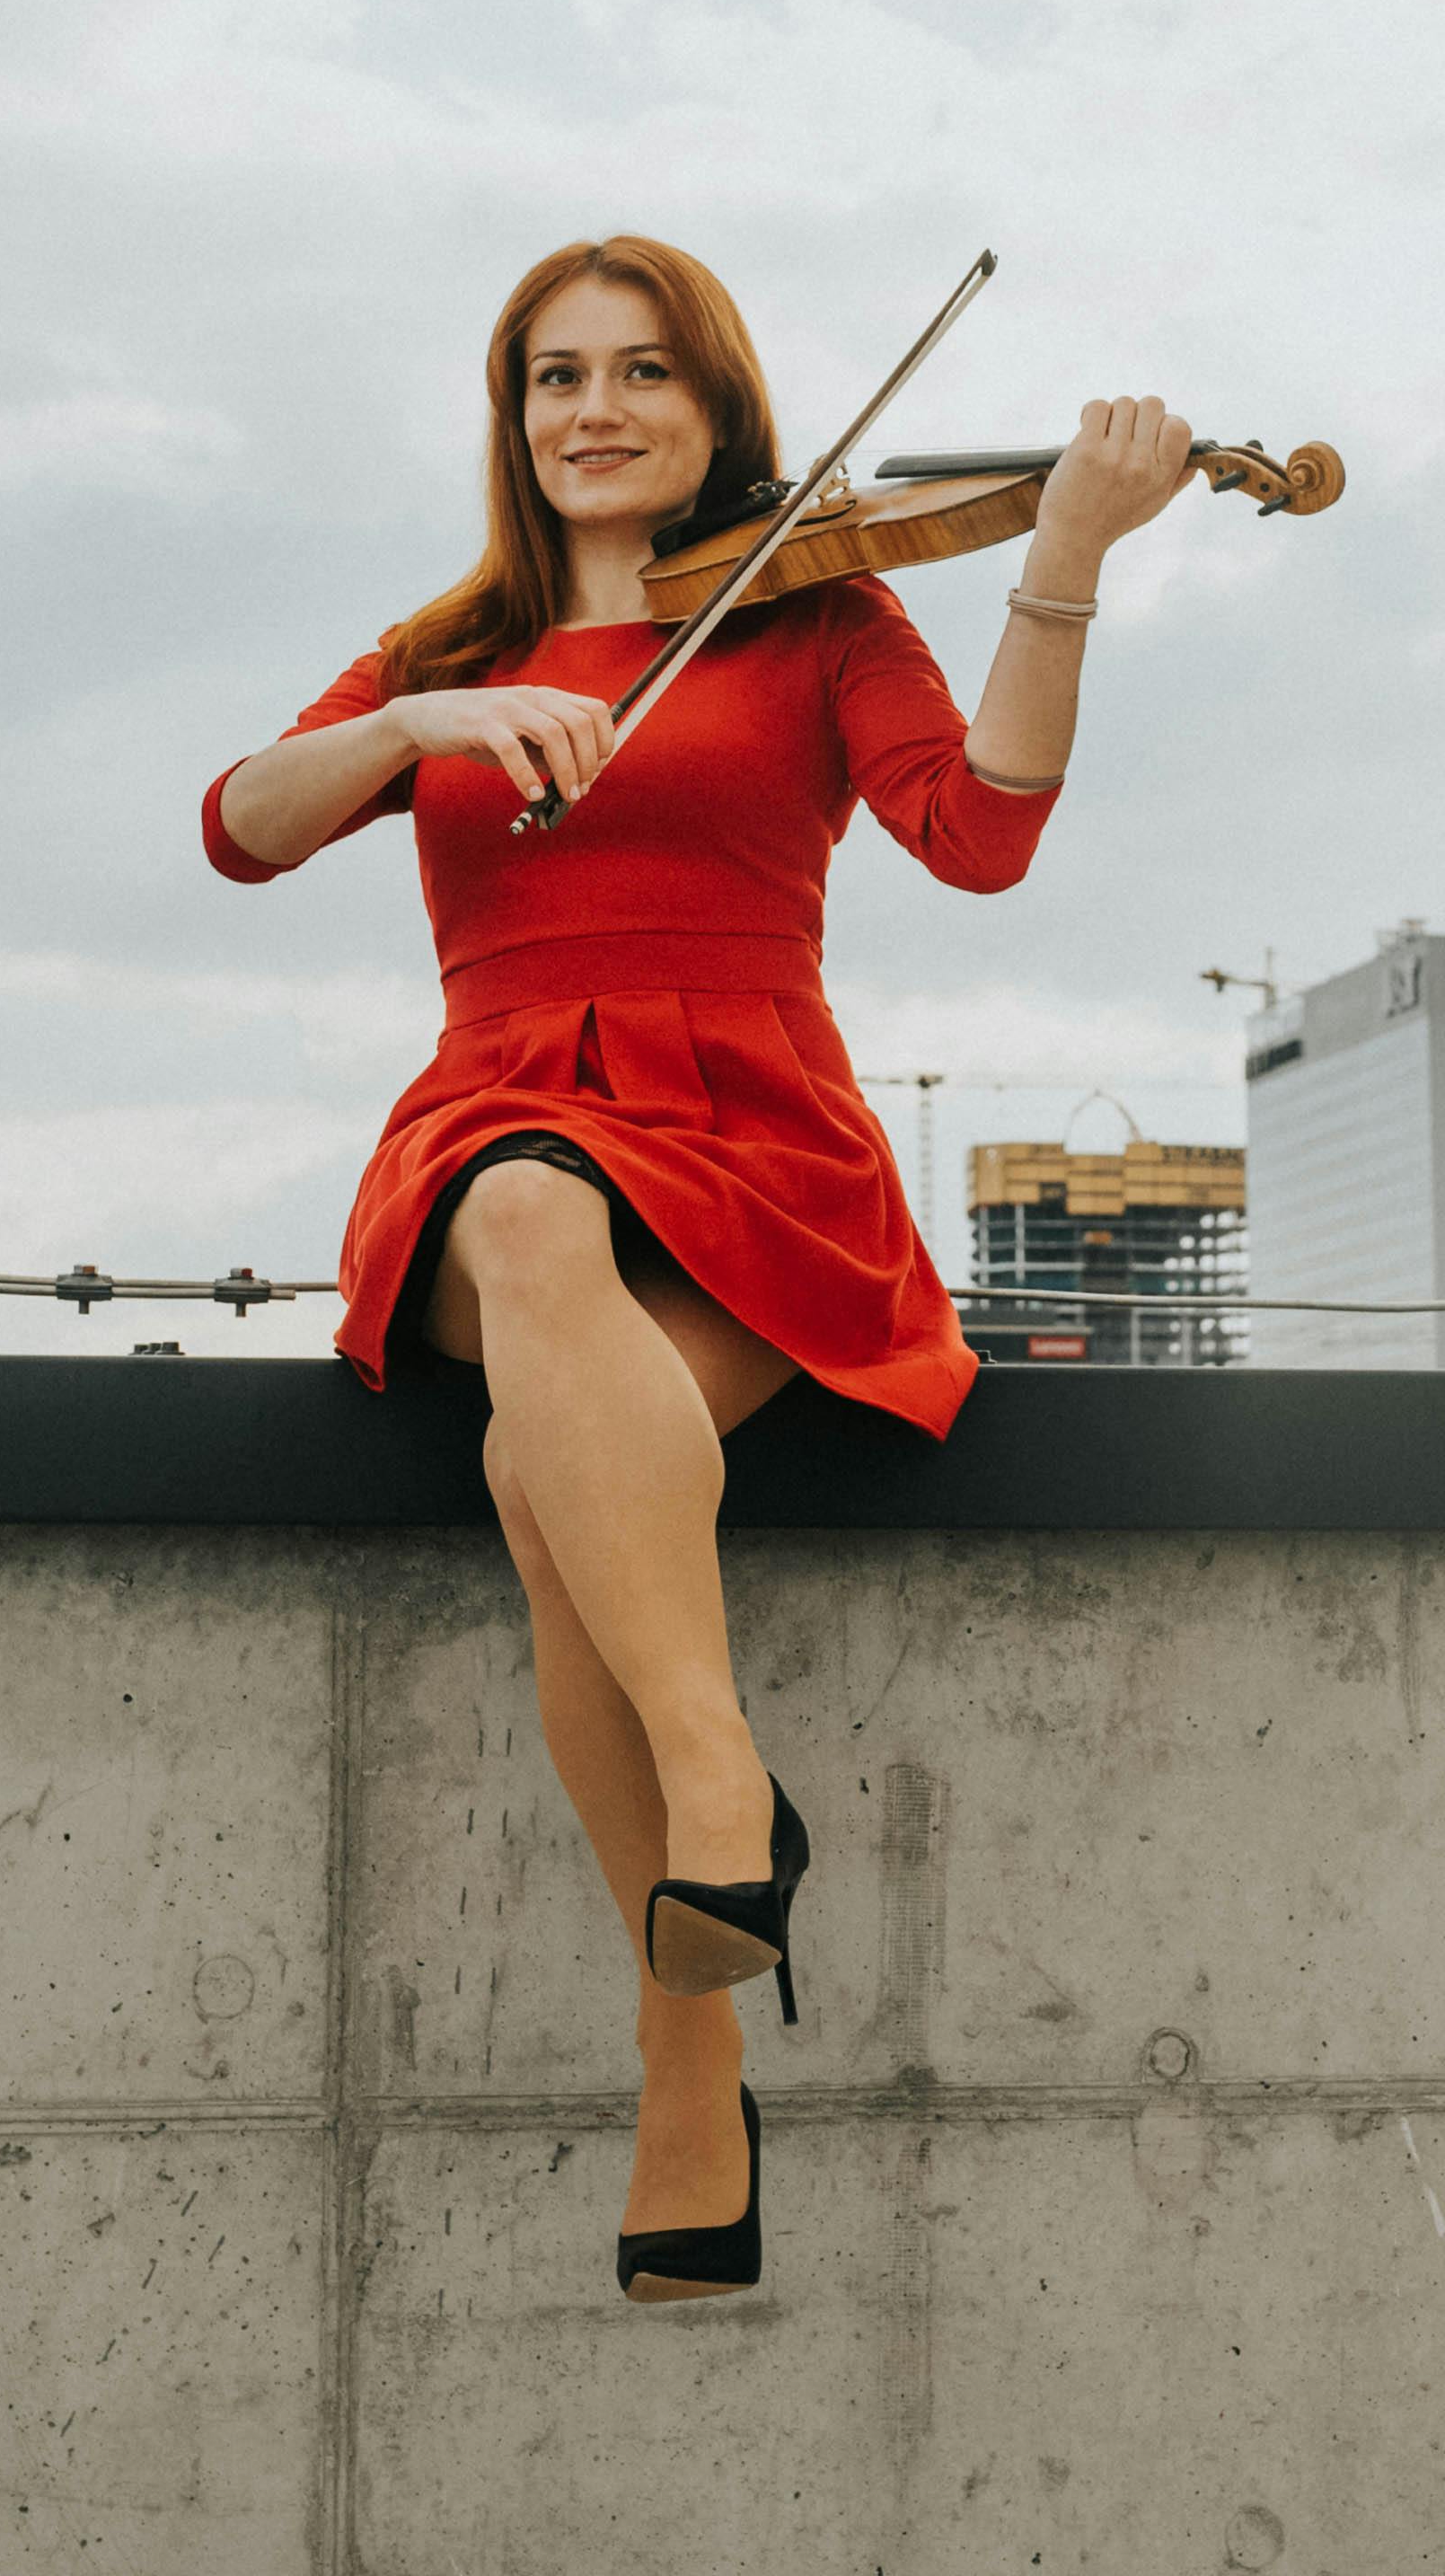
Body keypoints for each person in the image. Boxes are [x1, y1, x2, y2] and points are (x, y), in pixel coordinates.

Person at [205, 234, 1193, 2304]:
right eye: (555, 377)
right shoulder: (440, 646)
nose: (595, 412)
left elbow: (982, 830)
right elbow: (242, 821)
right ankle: (724, 1773)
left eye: (641, 374)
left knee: (544, 1494)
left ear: (717, 406)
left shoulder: (821, 610)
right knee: (531, 1207)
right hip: (503, 1127)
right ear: (515, 419)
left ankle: (691, 2053)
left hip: (755, 1149)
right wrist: (434, 721)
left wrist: (1070, 558)